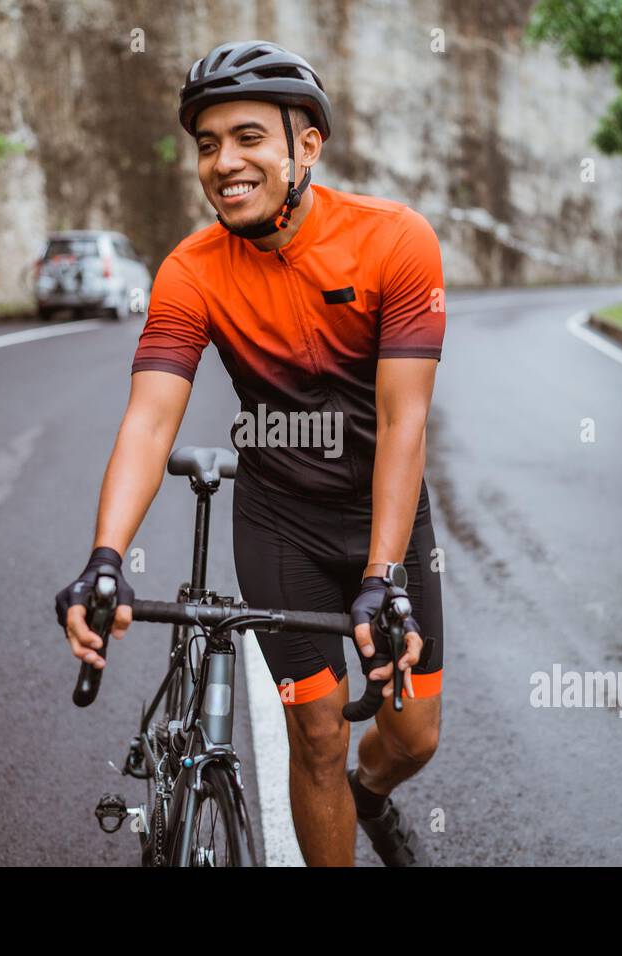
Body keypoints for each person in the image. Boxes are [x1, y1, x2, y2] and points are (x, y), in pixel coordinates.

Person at [57, 40, 446, 867]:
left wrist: (383, 575)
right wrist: (104, 557)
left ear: (307, 144)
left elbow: (404, 421)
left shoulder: (395, 242)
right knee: (315, 740)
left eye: (247, 138)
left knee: (412, 736)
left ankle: (372, 797)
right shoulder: (191, 272)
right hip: (280, 524)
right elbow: (150, 420)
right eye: (207, 144)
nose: (223, 163)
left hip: (387, 513)